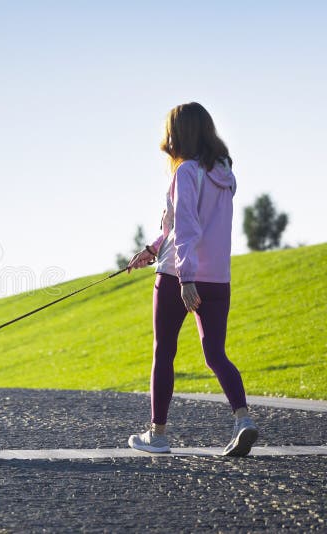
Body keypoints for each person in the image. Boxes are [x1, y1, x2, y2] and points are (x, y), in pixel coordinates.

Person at [126, 102, 258, 457]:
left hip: (178, 276)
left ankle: (158, 434)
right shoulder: (225, 173)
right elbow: (182, 227)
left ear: (178, 133)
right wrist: (152, 248)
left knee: (163, 351)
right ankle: (243, 420)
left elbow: (186, 228)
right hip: (218, 278)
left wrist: (185, 279)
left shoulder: (185, 172)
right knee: (215, 353)